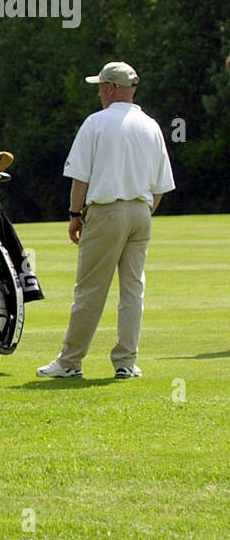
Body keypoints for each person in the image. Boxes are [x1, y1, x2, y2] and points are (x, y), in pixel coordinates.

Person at [37, 62, 175, 380]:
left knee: (90, 289)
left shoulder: (95, 123)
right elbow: (161, 186)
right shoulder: (151, 125)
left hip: (107, 210)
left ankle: (70, 361)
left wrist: (74, 215)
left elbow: (80, 178)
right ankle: (126, 361)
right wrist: (139, 213)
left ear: (111, 87)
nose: (99, 92)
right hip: (142, 212)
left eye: (101, 86)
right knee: (132, 289)